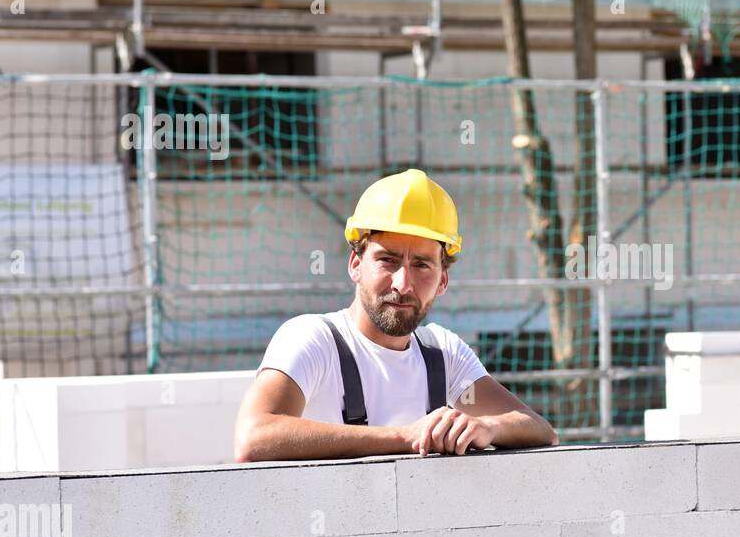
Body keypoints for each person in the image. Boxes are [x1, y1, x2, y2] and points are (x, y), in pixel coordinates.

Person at [234, 169, 558, 462]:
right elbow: (255, 437)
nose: (402, 284)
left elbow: (539, 430)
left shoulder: (443, 353)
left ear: (442, 280)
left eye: (421, 264)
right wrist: (406, 436)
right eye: (388, 260)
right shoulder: (314, 340)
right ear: (355, 265)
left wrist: (486, 427)